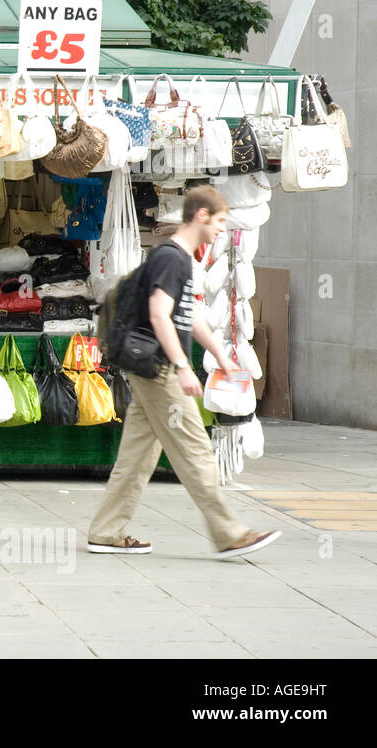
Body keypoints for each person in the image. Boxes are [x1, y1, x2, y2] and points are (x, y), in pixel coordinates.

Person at [87, 185, 281, 559]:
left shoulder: (179, 259)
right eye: (221, 220)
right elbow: (160, 314)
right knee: (195, 450)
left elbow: (187, 316)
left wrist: (220, 357)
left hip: (151, 370)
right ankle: (229, 533)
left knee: (136, 458)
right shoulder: (172, 259)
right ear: (202, 216)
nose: (222, 229)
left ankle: (106, 531)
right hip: (160, 371)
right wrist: (181, 367)